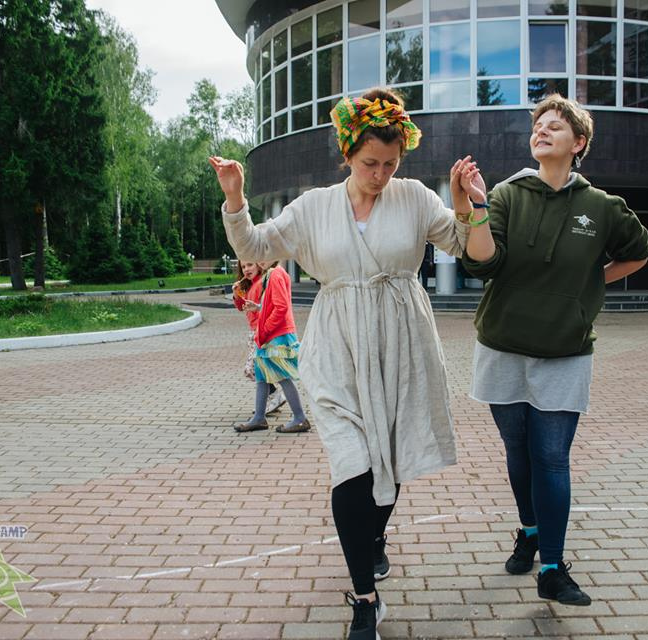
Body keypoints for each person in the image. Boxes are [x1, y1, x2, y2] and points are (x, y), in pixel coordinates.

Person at [210, 87, 493, 640]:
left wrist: (468, 201)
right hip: (337, 347)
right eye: (370, 163)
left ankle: (375, 537)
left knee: (389, 457)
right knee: (352, 465)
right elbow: (254, 247)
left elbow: (469, 248)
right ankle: (365, 597)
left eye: (390, 163)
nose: (380, 174)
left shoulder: (413, 197)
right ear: (347, 155)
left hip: (402, 345)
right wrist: (236, 197)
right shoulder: (314, 207)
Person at [460, 94, 648, 607]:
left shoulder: (602, 207)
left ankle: (551, 566)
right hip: (502, 347)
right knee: (518, 454)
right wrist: (476, 206)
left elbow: (639, 252)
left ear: (578, 143)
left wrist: (590, 284)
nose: (542, 131)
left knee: (551, 458)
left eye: (555, 127)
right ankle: (527, 529)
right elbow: (482, 265)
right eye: (538, 125)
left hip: (566, 352)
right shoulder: (505, 193)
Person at [232, 260, 311, 434]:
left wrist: (265, 329)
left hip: (275, 334)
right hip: (267, 333)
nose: (261, 259)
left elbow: (281, 307)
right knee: (261, 375)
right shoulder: (271, 274)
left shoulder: (275, 274)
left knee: (281, 375)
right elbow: (271, 305)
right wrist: (258, 307)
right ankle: (259, 417)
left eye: (263, 255)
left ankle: (299, 418)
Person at [232, 260, 286, 417]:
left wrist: (263, 329)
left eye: (250, 265)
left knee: (252, 369)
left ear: (258, 266)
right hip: (253, 331)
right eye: (243, 267)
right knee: (260, 369)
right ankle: (273, 398)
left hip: (260, 330)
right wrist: (237, 294)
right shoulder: (248, 285)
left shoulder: (263, 283)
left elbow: (267, 306)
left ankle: (276, 396)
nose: (246, 269)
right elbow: (242, 307)